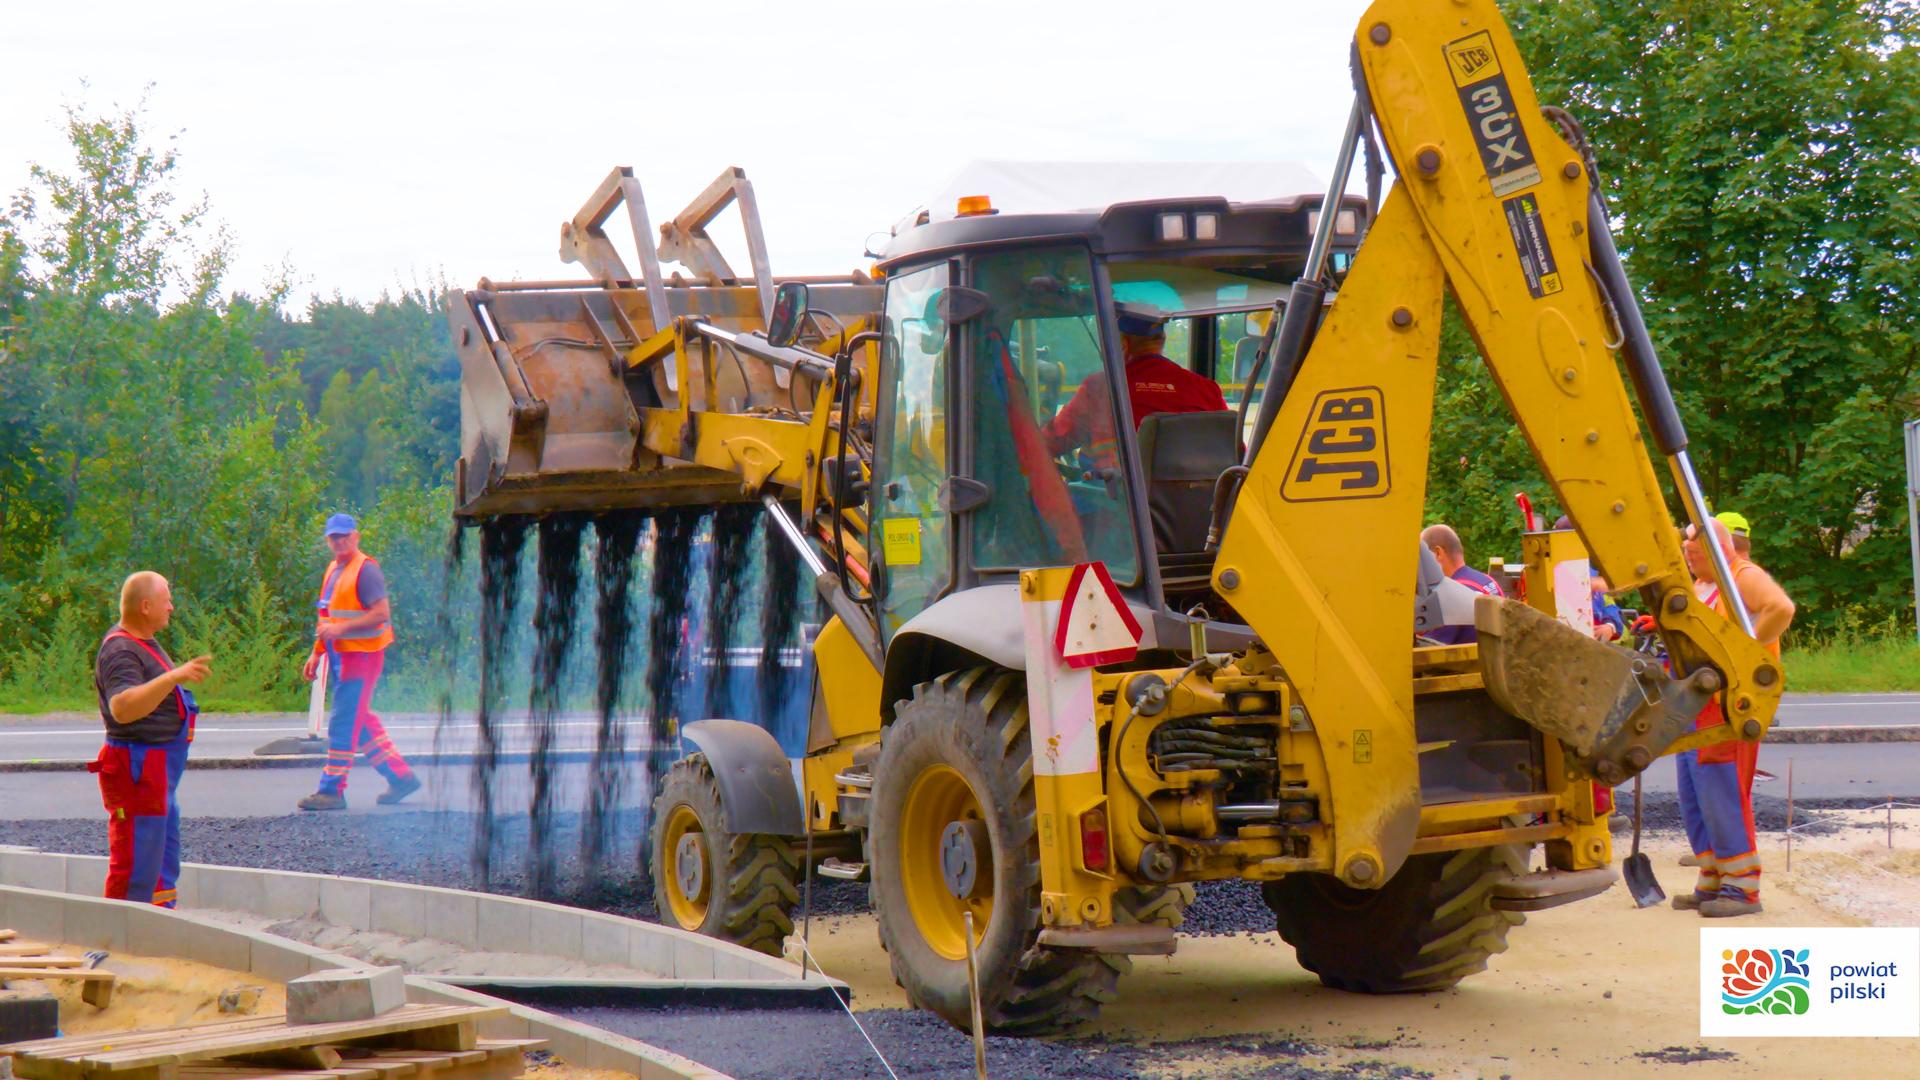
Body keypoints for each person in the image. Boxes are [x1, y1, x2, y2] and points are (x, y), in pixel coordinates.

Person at [1671, 517, 1795, 917]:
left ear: (1716, 550)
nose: (1688, 560)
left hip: (1729, 703)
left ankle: (1743, 887)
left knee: (1722, 787)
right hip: (1697, 701)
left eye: (1693, 553)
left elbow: (1781, 608)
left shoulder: (1740, 575)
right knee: (1696, 790)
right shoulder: (1704, 583)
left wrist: (1746, 650)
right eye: (1686, 554)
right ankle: (1713, 877)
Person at [91, 572, 209, 907]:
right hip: (136, 768)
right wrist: (174, 676)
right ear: (146, 606)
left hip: (155, 773)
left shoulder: (141, 642)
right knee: (136, 860)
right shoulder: (121, 650)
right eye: (166, 599)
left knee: (160, 856)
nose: (171, 606)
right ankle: (121, 932)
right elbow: (123, 707)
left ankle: (157, 923)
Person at [299, 513, 419, 810]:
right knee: (360, 722)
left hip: (361, 657)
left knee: (343, 721)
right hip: (343, 655)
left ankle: (331, 790)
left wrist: (337, 632)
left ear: (356, 536)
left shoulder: (366, 571)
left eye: (344, 536)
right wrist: (318, 650)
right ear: (328, 540)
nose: (339, 542)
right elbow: (327, 616)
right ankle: (400, 777)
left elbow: (381, 614)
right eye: (334, 537)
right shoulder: (334, 569)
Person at [1041, 305, 1227, 459]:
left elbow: (1052, 442)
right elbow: (1232, 452)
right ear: (1162, 339)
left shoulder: (1100, 389)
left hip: (1116, 501)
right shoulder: (1207, 389)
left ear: (1122, 343)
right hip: (1194, 502)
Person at [1419, 523, 1504, 645]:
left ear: (1438, 553)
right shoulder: (1489, 582)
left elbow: (1428, 650)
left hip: (1473, 663)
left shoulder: (1448, 597)